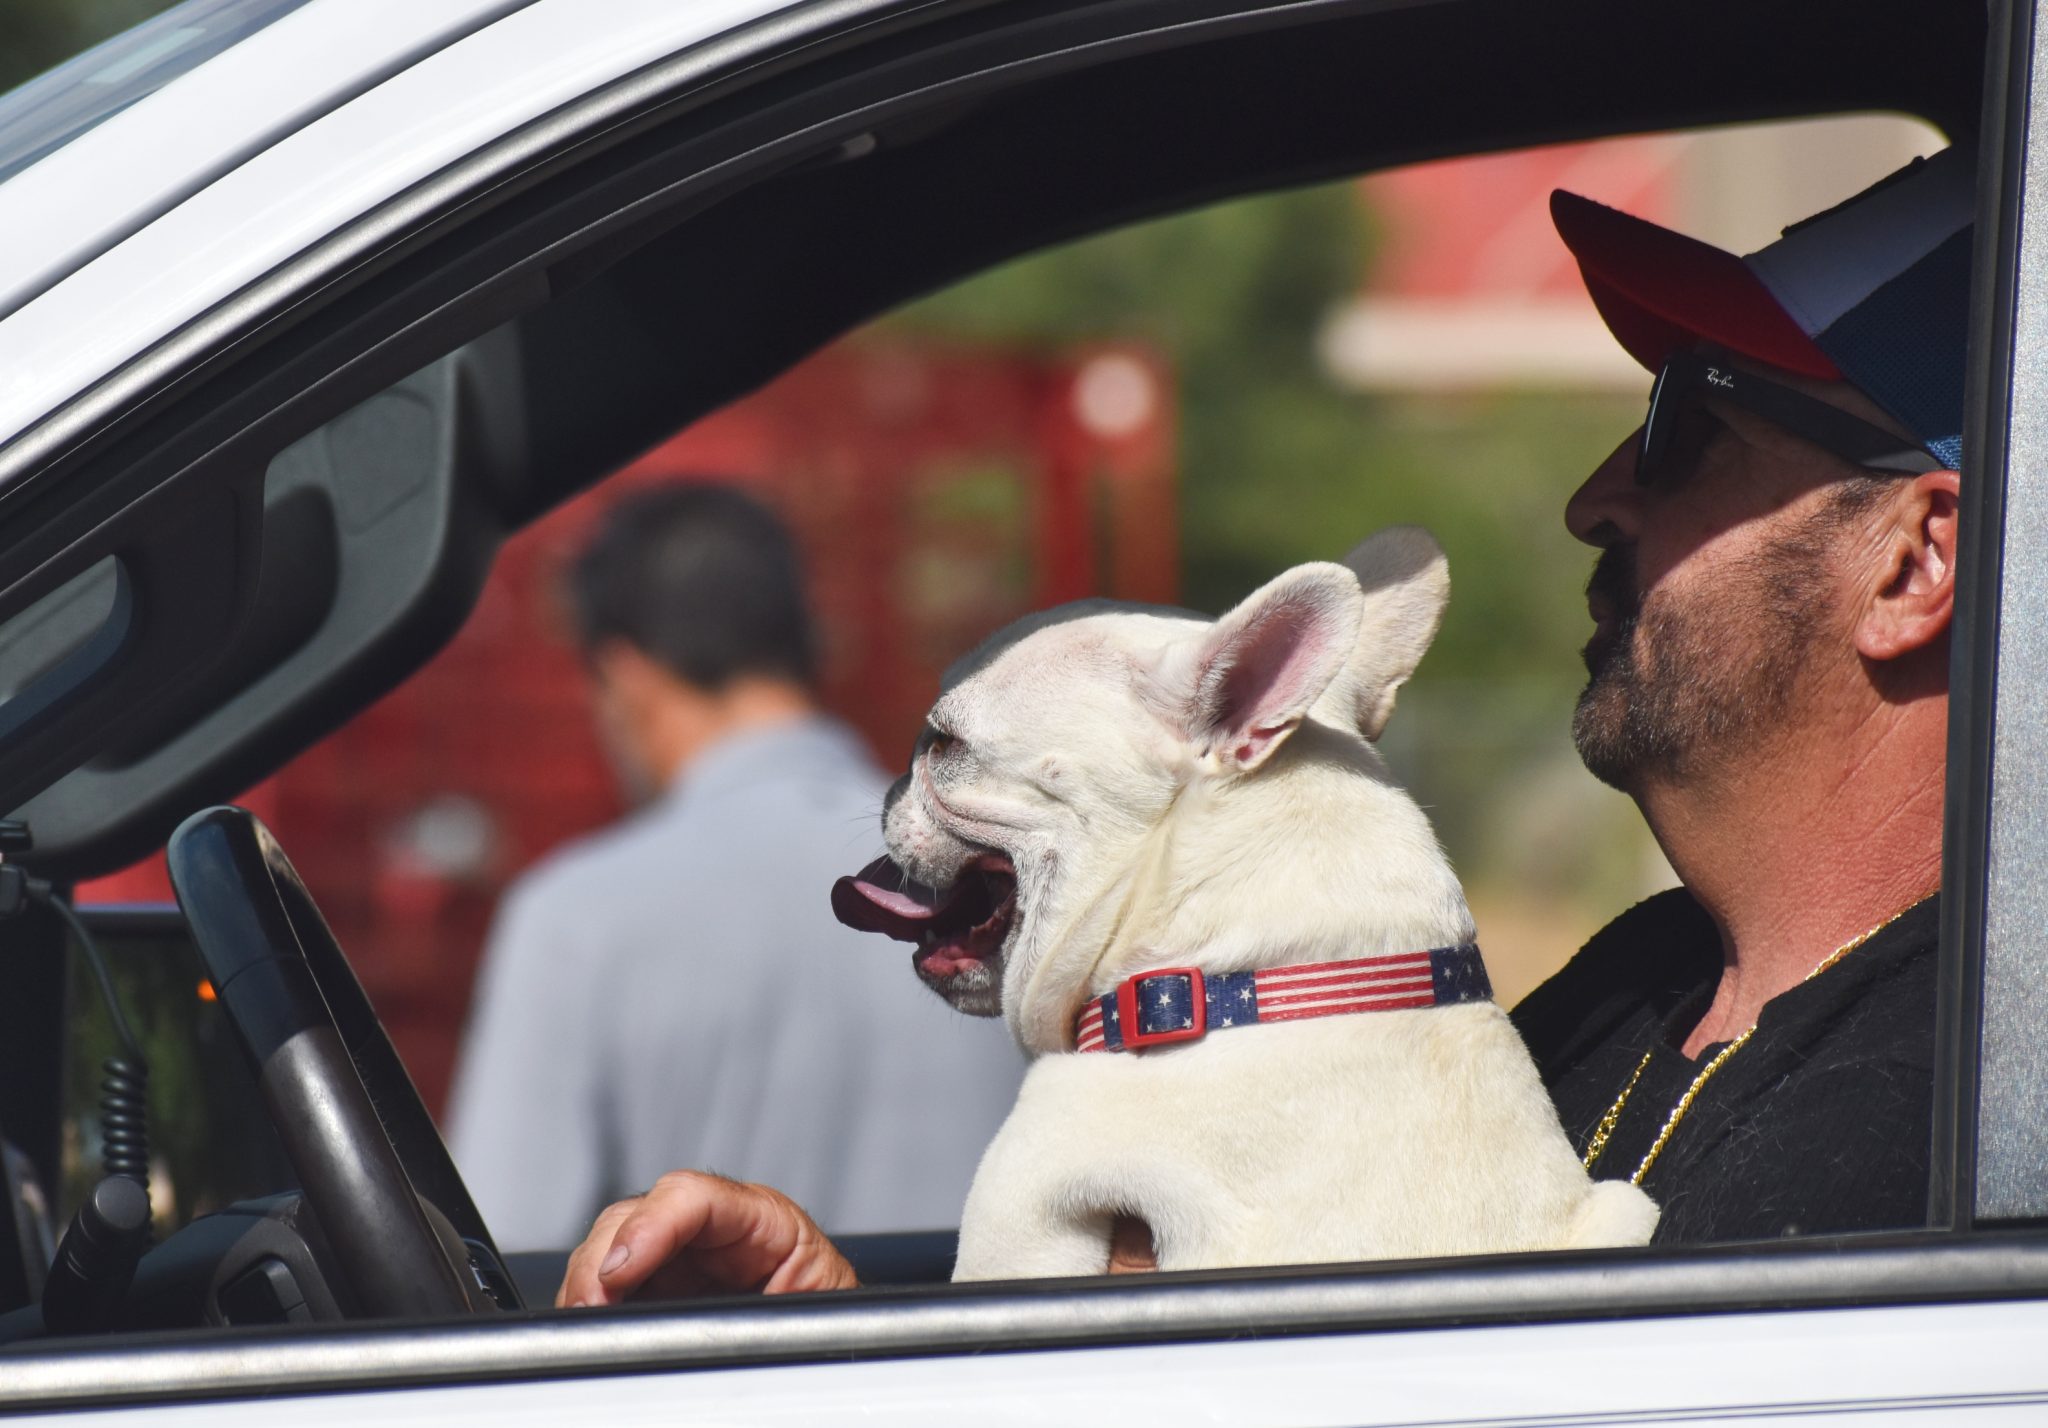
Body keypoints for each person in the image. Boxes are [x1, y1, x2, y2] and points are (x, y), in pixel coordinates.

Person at [554, 146, 1971, 1303]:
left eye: (1686, 425)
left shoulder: (1938, 1116)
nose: (1595, 493)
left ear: (1913, 564)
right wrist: (842, 1332)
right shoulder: (1644, 983)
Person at [446, 483, 1023, 1252]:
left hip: (727, 1376)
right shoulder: (998, 880)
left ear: (625, 678)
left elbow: (497, 1263)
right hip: (1003, 1369)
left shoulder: (573, 918)